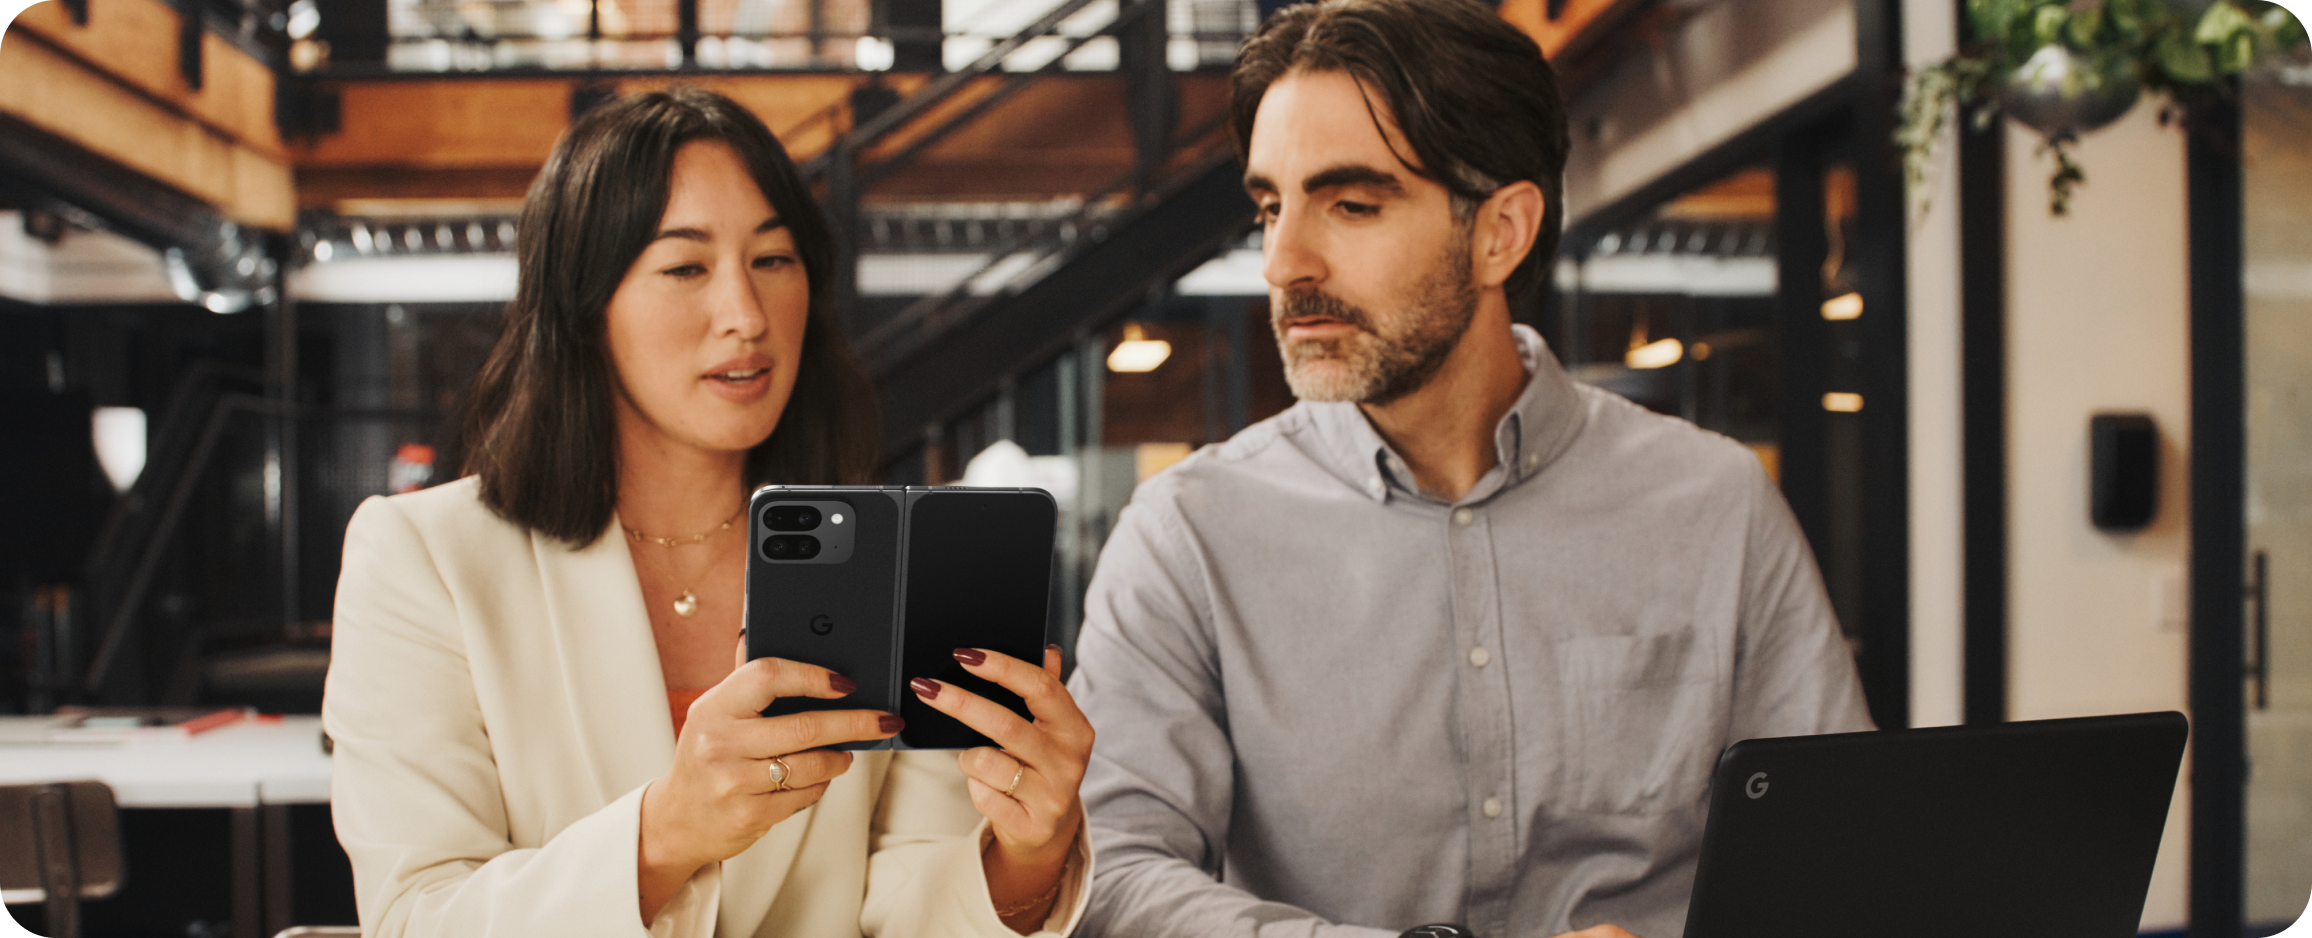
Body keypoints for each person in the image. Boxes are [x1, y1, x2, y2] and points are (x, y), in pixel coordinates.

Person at [1065, 2, 1874, 937]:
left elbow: (1833, 853)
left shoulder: (1716, 504)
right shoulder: (1186, 533)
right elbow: (1112, 874)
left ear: (1502, 231)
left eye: (1351, 204)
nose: (1284, 262)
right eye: (1270, 206)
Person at [323, 86, 1095, 938]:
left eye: (774, 259)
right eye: (685, 266)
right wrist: (665, 835)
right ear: (584, 310)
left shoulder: (893, 557)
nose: (746, 315)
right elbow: (415, 916)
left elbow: (904, 900)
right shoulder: (424, 557)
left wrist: (1023, 860)